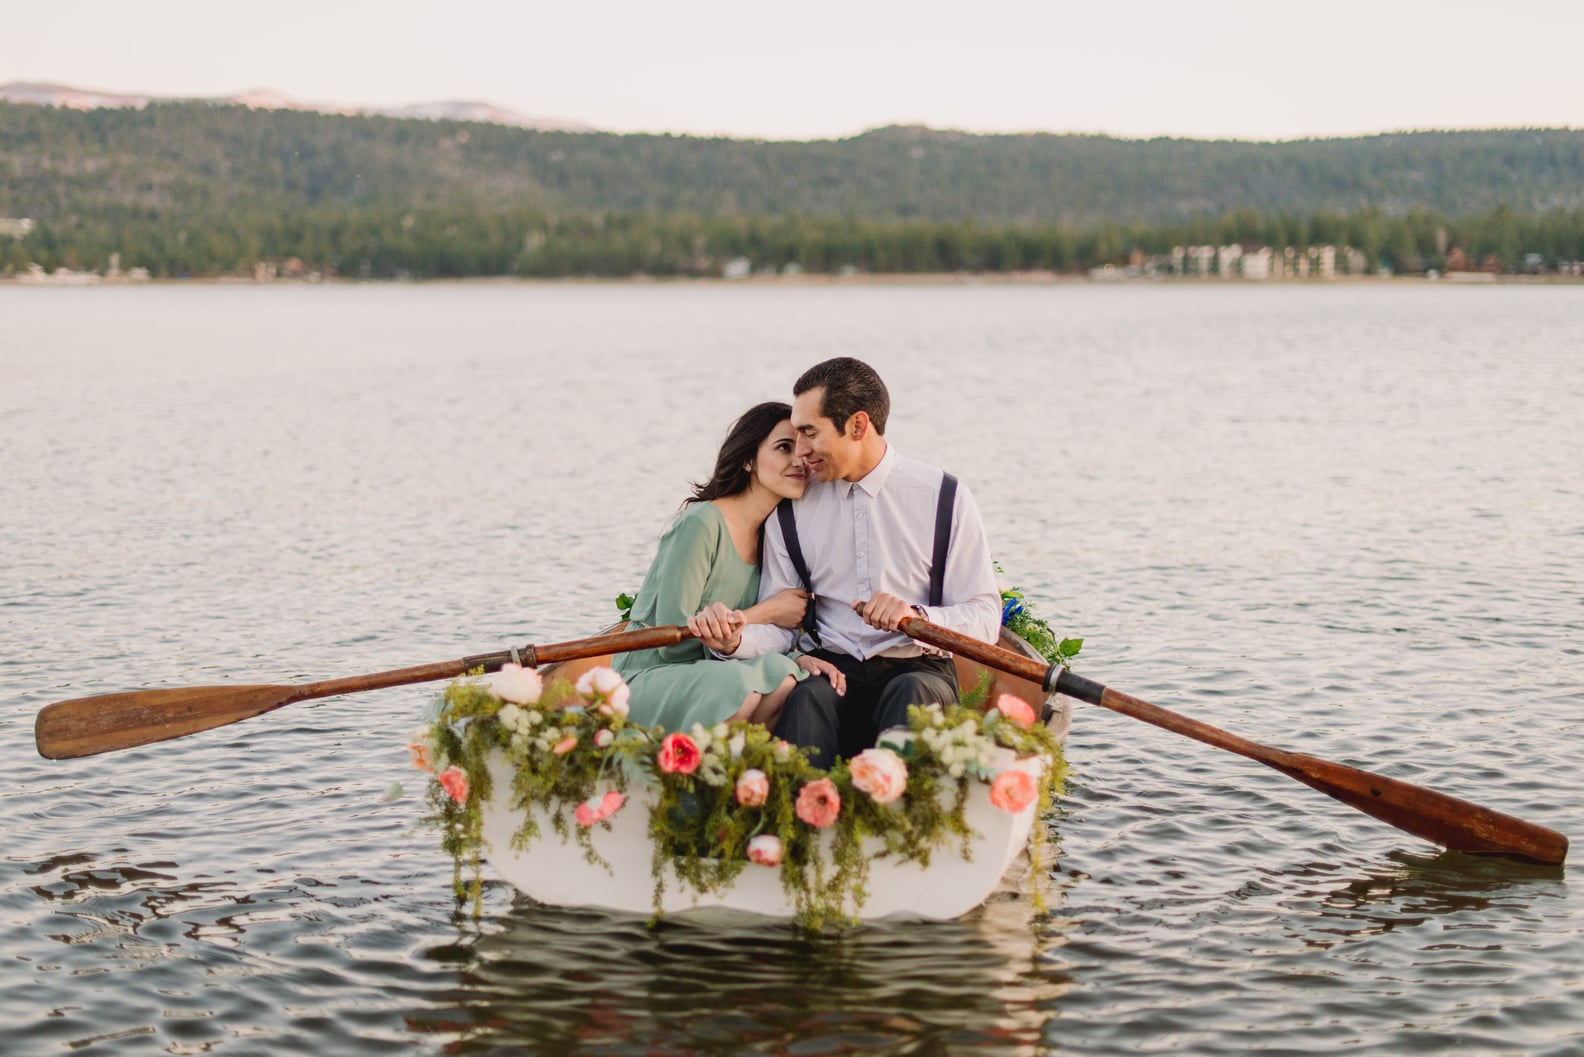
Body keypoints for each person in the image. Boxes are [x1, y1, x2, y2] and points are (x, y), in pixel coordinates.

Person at [693, 358, 1001, 766]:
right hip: (829, 668)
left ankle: (900, 816)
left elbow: (985, 617)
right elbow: (781, 628)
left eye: (809, 433)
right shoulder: (791, 510)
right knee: (805, 701)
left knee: (910, 698)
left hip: (920, 669)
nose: (800, 451)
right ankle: (797, 819)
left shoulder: (943, 496)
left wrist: (918, 616)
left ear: (857, 426)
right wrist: (735, 641)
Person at [614, 401, 847, 733]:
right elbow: (671, 643)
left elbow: (752, 640)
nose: (800, 460)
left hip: (714, 669)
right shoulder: (702, 523)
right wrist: (767, 611)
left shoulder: (775, 535)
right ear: (749, 459)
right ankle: (696, 774)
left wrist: (793, 657)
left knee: (783, 683)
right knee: (746, 687)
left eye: (805, 450)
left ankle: (735, 774)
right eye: (784, 447)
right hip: (648, 674)